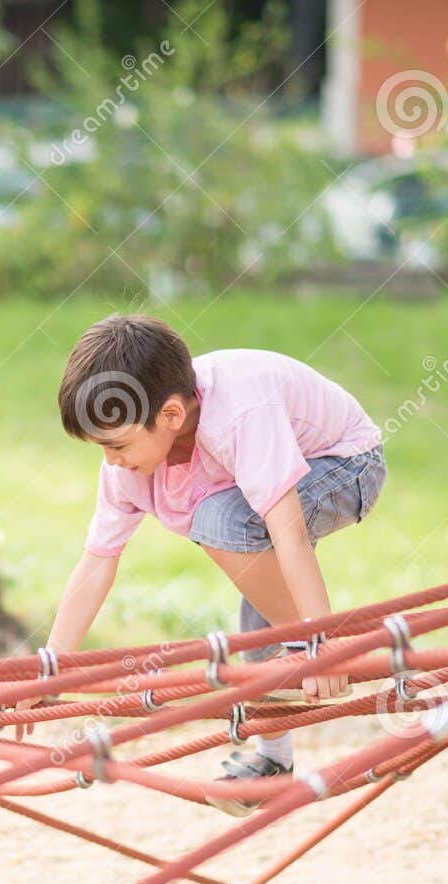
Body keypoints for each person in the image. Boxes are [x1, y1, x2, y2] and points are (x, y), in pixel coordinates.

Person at [40, 314, 386, 812]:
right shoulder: (129, 468)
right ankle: (274, 757)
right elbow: (97, 562)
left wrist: (319, 644)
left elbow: (286, 530)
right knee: (252, 576)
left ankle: (321, 648)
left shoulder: (239, 414)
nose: (111, 461)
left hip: (347, 463)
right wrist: (51, 667)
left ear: (173, 416)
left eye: (117, 446)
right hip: (264, 498)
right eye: (102, 448)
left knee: (226, 524)